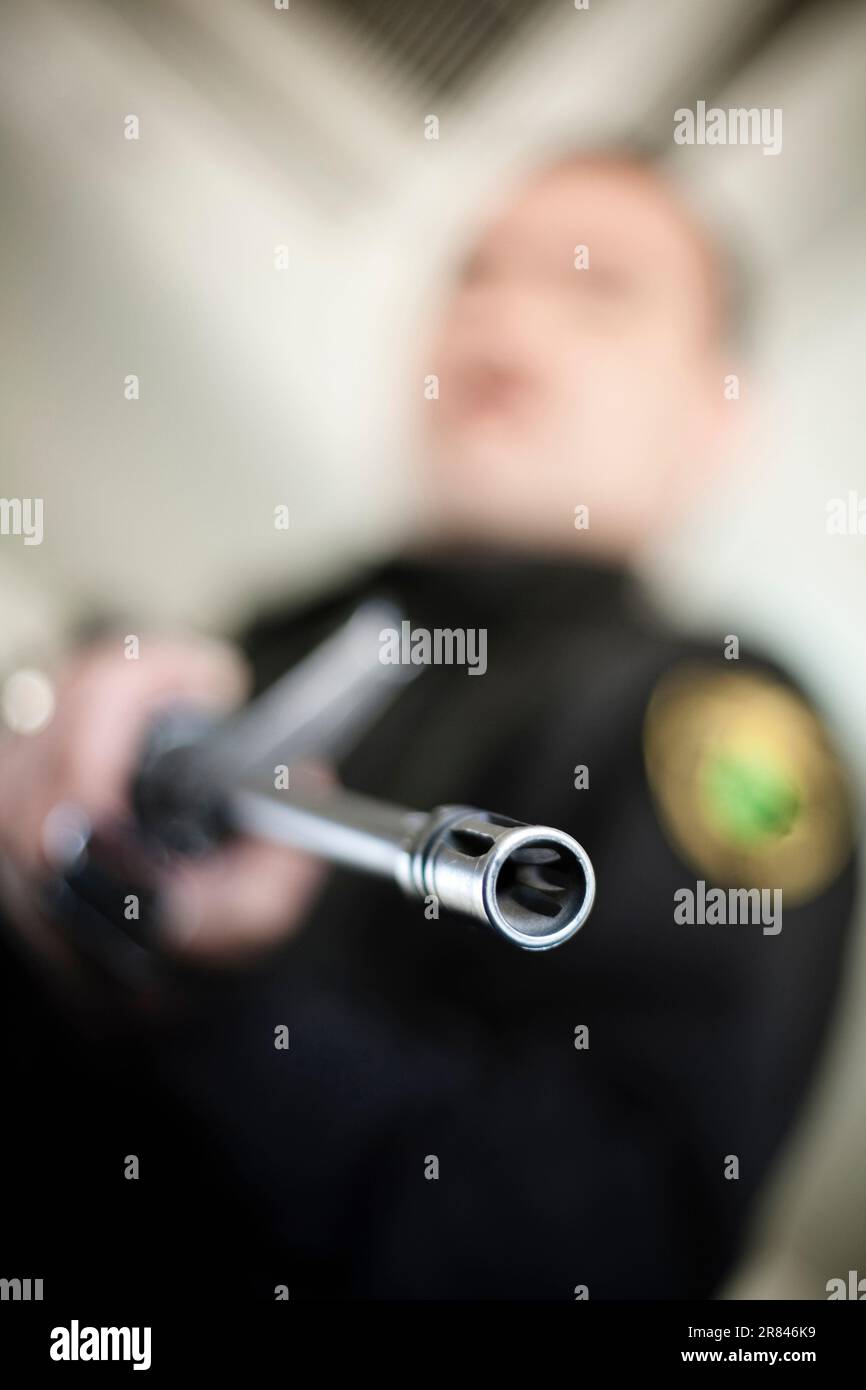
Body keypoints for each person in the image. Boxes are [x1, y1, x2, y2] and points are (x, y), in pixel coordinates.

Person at [0, 152, 856, 1301]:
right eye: (474, 277)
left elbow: (605, 1258)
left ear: (715, 416)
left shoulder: (720, 722)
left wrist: (220, 996)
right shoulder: (292, 621)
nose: (503, 323)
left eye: (594, 293)